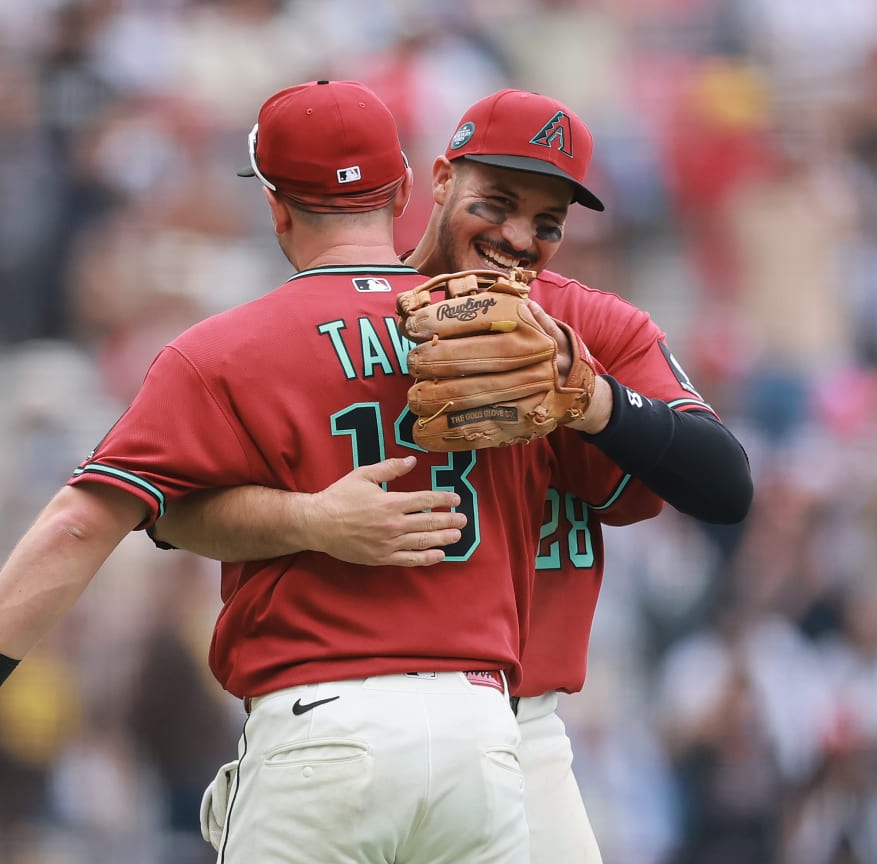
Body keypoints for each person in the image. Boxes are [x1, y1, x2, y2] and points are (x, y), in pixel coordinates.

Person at [0, 80, 627, 862]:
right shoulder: (509, 340)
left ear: (276, 206)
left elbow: (83, 521)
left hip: (326, 732)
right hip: (484, 741)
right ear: (403, 192)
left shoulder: (224, 352)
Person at [154, 89, 754, 863]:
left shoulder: (591, 328)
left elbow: (727, 484)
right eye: (496, 202)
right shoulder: (330, 328)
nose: (517, 237)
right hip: (346, 715)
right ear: (439, 179)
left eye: (547, 223)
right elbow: (171, 509)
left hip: (518, 729)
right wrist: (306, 519)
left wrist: (591, 397)